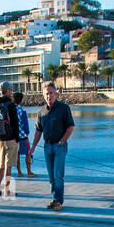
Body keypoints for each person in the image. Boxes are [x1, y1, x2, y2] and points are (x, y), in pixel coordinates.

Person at [29, 82, 75, 210]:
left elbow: (70, 127)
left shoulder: (64, 108)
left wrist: (62, 141)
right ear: (44, 95)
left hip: (59, 146)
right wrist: (32, 148)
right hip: (47, 146)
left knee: (58, 175)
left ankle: (59, 201)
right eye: (47, 94)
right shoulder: (41, 112)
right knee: (51, 176)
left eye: (51, 93)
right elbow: (38, 131)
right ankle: (54, 199)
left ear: (56, 94)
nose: (49, 96)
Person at [0, 81, 19, 198]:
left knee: (0, 166)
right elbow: (15, 123)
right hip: (10, 138)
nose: (11, 92)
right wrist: (17, 138)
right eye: (10, 90)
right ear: (7, 90)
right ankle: (7, 190)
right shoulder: (10, 104)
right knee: (9, 166)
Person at [13, 91, 35, 176]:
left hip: (14, 136)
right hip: (23, 136)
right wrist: (27, 132)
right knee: (28, 153)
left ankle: (19, 172)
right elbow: (25, 125)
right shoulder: (22, 110)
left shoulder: (11, 110)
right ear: (21, 100)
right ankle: (29, 172)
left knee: (17, 154)